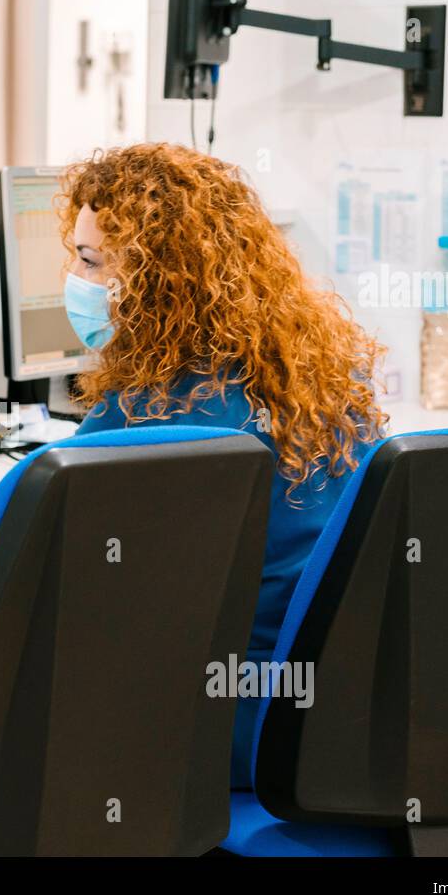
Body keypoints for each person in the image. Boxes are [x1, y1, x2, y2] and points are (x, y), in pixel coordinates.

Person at [56, 143, 386, 786]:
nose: (75, 277)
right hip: (337, 710)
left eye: (90, 260)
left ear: (157, 276)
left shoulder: (145, 415)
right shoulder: (320, 376)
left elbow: (54, 580)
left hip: (217, 725)